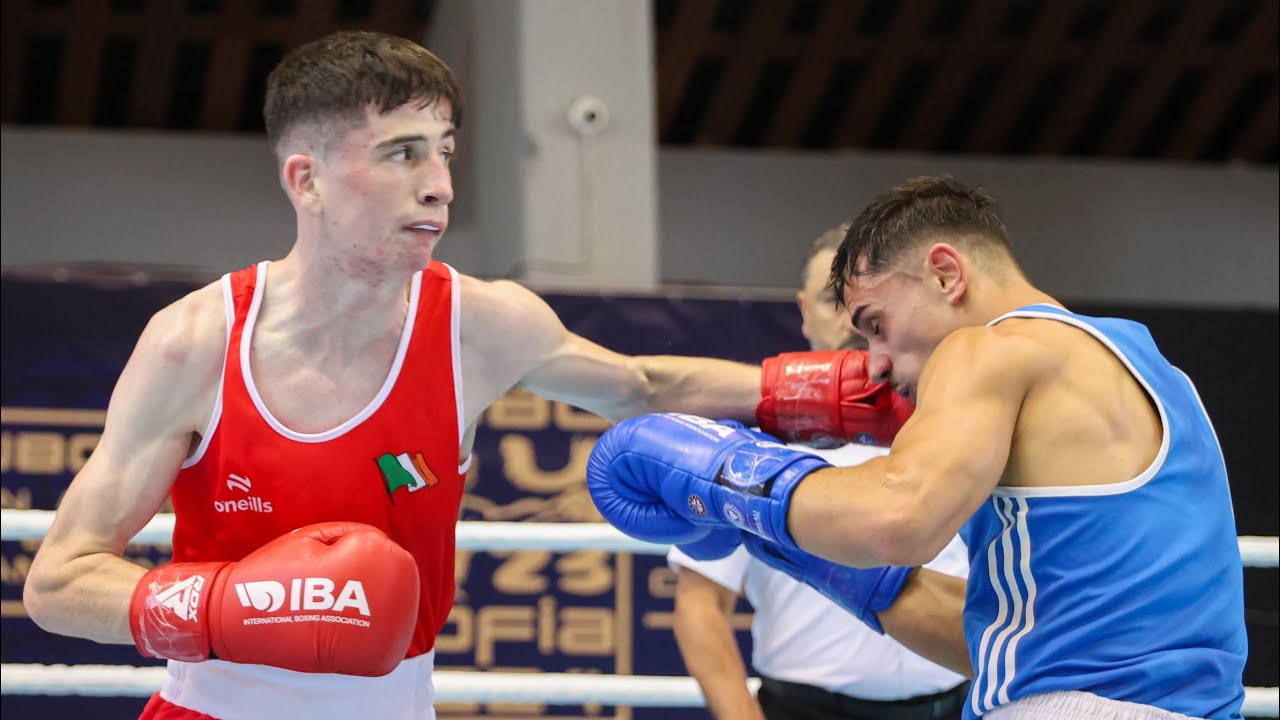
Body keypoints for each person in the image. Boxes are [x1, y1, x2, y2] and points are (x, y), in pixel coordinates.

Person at [21, 31, 913, 720]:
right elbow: (58, 583)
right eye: (402, 153)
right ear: (309, 179)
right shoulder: (194, 344)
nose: (440, 183)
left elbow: (640, 384)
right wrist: (229, 606)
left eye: (445, 149)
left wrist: (817, 393)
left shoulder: (480, 324)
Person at [588, 176, 1248, 719]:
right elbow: (1014, 638)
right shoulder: (1153, 372)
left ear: (944, 274)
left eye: (876, 325)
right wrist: (791, 543)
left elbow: (896, 518)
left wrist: (723, 476)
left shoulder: (988, 348)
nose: (874, 364)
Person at [668, 224, 970, 720]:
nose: (854, 316)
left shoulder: (957, 419)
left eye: (874, 299)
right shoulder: (753, 435)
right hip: (804, 706)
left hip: (960, 703)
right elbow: (700, 603)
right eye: (835, 298)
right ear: (805, 312)